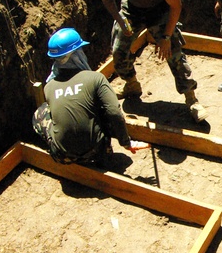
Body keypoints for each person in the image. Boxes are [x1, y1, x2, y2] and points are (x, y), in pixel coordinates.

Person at [100, 0, 208, 122]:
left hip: (160, 11)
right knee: (119, 50)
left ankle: (191, 97)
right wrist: (119, 19)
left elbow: (175, 7)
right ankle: (131, 85)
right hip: (131, 9)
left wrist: (166, 36)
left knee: (174, 53)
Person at [33, 29, 147, 165]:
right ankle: (103, 149)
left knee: (40, 113)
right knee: (102, 106)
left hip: (62, 156)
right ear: (76, 54)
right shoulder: (95, 78)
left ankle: (60, 146)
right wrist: (126, 142)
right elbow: (114, 112)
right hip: (98, 152)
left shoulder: (49, 87)